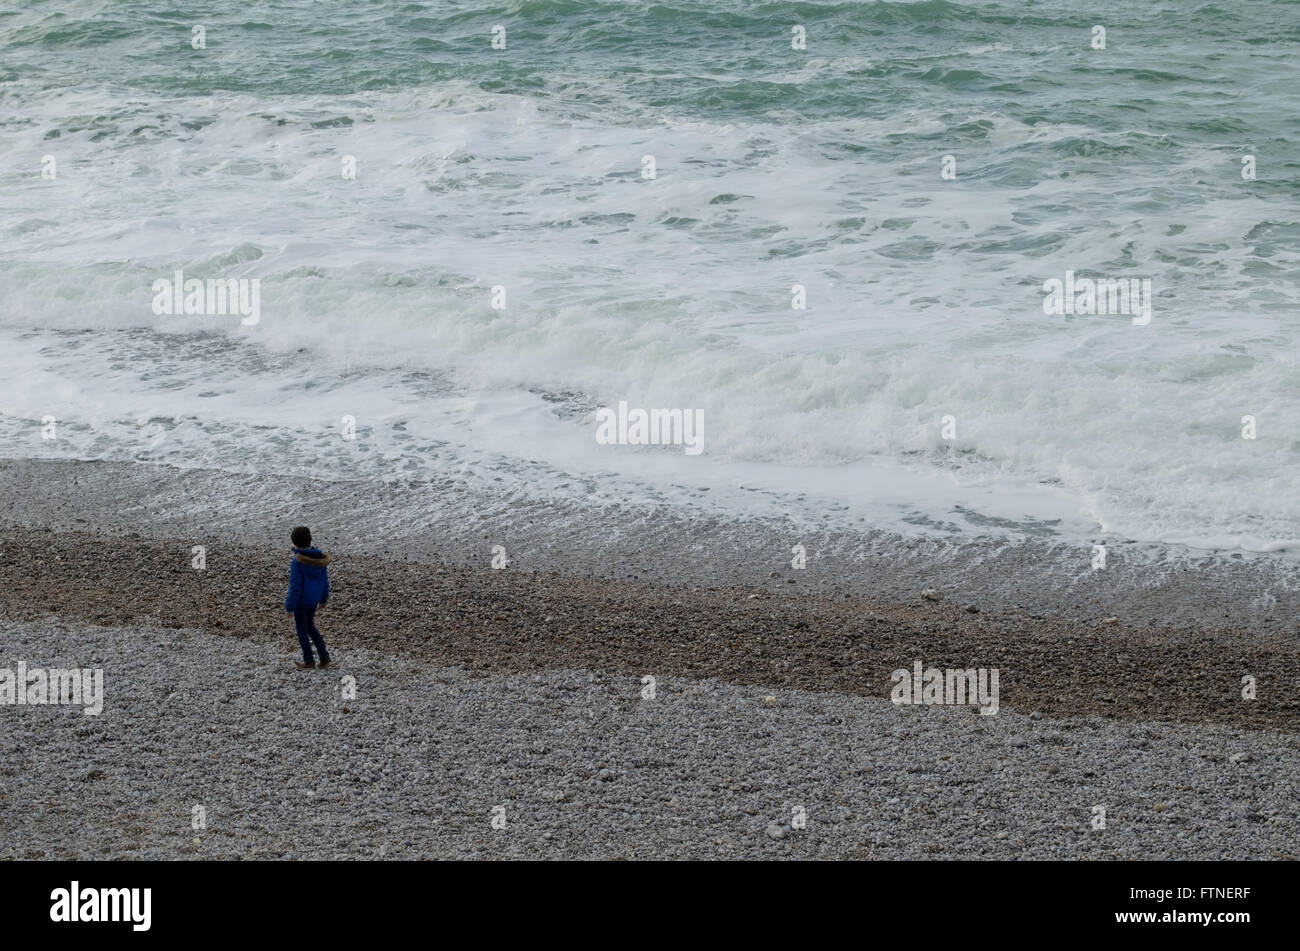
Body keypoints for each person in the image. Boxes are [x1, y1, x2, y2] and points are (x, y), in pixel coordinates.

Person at [285, 525, 332, 669]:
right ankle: (324, 657)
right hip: (314, 599)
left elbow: (295, 586)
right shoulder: (320, 559)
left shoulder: (297, 562)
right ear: (310, 540)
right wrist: (324, 598)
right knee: (310, 626)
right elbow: (324, 581)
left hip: (301, 601)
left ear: (294, 543)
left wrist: (289, 606)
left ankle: (309, 660)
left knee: (301, 628)